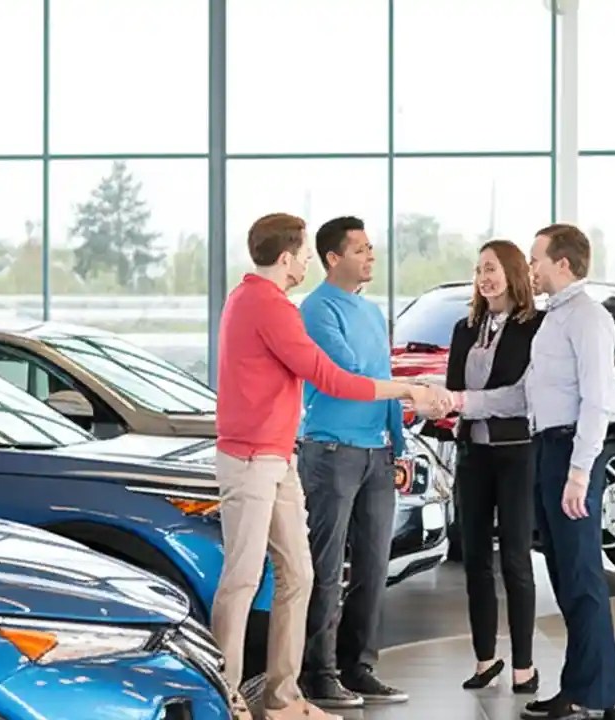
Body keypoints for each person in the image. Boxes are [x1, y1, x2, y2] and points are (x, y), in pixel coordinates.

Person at [213, 212, 447, 720]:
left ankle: (283, 697)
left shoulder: (264, 301)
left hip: (279, 457)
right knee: (242, 580)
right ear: (286, 258)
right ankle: (226, 696)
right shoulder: (266, 305)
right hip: (252, 460)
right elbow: (334, 378)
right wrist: (410, 389)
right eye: (301, 254)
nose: (305, 263)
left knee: (298, 572)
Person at [295, 216, 410, 710]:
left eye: (370, 248)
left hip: (376, 452)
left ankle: (357, 666)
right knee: (325, 567)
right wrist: (410, 393)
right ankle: (316, 672)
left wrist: (398, 446)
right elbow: (351, 372)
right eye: (360, 249)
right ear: (332, 258)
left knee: (373, 565)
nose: (370, 256)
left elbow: (382, 378)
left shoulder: (370, 312)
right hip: (332, 452)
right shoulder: (316, 310)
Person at [519, 224, 615, 720]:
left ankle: (591, 693)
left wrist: (580, 472)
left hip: (570, 454)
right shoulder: (554, 319)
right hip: (549, 449)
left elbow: (598, 400)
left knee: (581, 576)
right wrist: (459, 399)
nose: (531, 267)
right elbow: (531, 392)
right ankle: (598, 689)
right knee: (567, 576)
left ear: (563, 263)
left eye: (536, 258)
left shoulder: (587, 318)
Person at [442, 239, 544, 694]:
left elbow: (520, 398)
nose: (485, 277)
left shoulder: (536, 327)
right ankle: (486, 661)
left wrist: (468, 402)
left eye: (493, 268)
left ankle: (524, 667)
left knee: (517, 561)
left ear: (514, 273)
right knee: (476, 561)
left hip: (517, 453)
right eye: (480, 268)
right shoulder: (465, 328)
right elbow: (452, 390)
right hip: (473, 454)